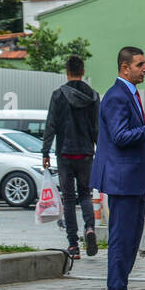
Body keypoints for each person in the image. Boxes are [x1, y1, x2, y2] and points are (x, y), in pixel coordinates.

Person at [92, 47, 145, 290]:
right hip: (121, 179)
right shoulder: (116, 97)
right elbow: (120, 137)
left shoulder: (129, 94)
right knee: (122, 237)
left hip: (132, 179)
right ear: (125, 68)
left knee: (131, 237)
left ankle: (121, 289)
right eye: (140, 64)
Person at [42, 54, 101, 260]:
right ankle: (90, 228)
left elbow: (51, 125)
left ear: (66, 72)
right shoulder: (93, 96)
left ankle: (73, 245)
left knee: (68, 199)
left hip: (65, 153)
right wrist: (99, 150)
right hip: (86, 153)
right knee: (85, 194)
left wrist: (45, 151)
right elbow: (97, 127)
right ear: (83, 72)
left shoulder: (58, 95)